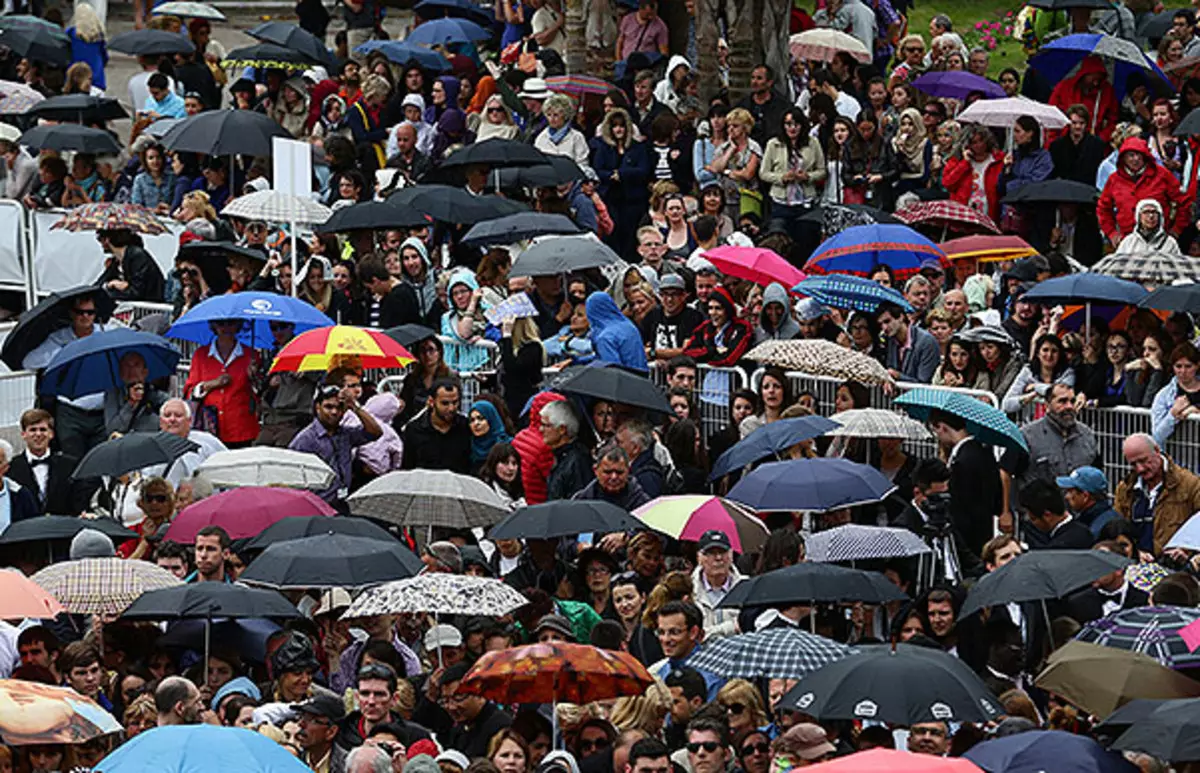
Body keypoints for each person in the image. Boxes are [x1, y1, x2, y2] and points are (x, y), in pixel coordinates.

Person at [289, 383, 383, 506]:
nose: (334, 412)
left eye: (339, 408)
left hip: (343, 501)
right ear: (318, 407)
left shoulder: (345, 433)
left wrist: (355, 407)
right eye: (328, 407)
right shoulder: (305, 439)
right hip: (318, 504)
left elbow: (375, 432)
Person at [928, 408, 1003, 556]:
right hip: (984, 528)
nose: (938, 437)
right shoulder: (984, 452)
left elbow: (960, 506)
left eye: (936, 432)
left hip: (967, 539)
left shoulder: (962, 461)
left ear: (942, 427)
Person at [1115, 433, 1200, 553]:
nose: (1140, 469)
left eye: (1144, 461)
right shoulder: (1126, 489)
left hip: (1175, 567)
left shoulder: (1190, 485)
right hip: (1136, 565)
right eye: (1133, 464)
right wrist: (1136, 554)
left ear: (1157, 451)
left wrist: (1186, 551)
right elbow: (1117, 530)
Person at [8, 409, 91, 517]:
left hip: (62, 529)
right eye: (33, 430)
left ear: (51, 434)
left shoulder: (70, 465)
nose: (38, 434)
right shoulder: (11, 468)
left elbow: (78, 502)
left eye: (43, 429)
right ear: (23, 434)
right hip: (25, 531)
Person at [401, 379, 472, 474]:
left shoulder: (466, 426)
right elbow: (407, 468)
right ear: (431, 401)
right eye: (445, 403)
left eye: (455, 402)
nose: (451, 408)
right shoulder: (414, 430)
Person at [690, 530, 743, 640]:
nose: (718, 558)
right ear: (699, 558)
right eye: (711, 553)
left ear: (731, 555)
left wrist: (708, 632)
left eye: (723, 552)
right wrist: (732, 627)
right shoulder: (688, 589)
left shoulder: (746, 586)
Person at [542, 400, 595, 501]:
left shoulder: (578, 460)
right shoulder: (562, 456)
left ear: (562, 429)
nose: (541, 429)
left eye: (547, 425)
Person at [1021, 479, 1094, 550]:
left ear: (1047, 515)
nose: (1032, 523)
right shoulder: (1084, 531)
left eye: (1033, 519)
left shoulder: (1059, 548)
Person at [1150, 343, 1200, 445]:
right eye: (1178, 366)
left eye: (1188, 366)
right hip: (1176, 455)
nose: (1183, 371)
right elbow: (1156, 436)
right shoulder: (1163, 395)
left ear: (1197, 365)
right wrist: (1172, 415)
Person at [877, 301, 938, 383]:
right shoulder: (889, 340)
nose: (884, 327)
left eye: (887, 321)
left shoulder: (926, 341)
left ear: (901, 317)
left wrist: (898, 375)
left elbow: (924, 382)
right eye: (881, 324)